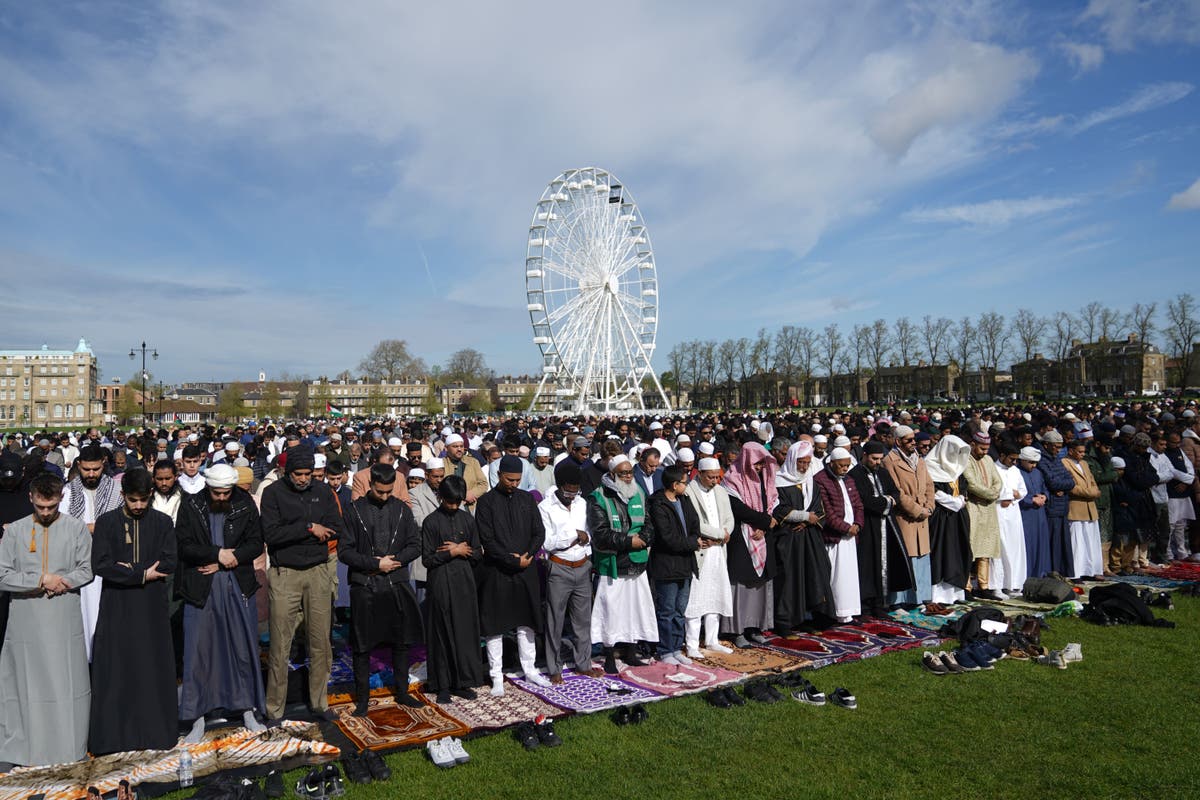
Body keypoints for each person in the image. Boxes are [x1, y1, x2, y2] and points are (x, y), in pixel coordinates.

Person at [0, 473, 92, 768]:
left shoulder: (76, 529)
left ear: (60, 499)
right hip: (26, 620)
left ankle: (67, 747)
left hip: (63, 615)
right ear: (31, 499)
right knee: (25, 684)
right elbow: (3, 575)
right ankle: (23, 749)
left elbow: (86, 570)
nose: (45, 513)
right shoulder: (14, 531)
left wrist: (61, 582)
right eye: (40, 507)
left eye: (51, 507)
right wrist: (41, 580)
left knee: (66, 682)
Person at [88, 468, 178, 755]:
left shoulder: (162, 522)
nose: (138, 506)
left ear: (150, 495)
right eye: (132, 500)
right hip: (118, 607)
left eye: (143, 500)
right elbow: (101, 565)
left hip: (151, 606)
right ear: (123, 495)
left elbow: (169, 561)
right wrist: (141, 573)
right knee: (118, 666)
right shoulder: (107, 522)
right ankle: (115, 737)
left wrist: (128, 569)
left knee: (150, 665)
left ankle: (154, 733)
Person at [176, 463, 267, 741]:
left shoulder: (244, 504)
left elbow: (256, 542)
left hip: (237, 585)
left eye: (226, 493)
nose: (221, 499)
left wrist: (231, 558)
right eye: (216, 494)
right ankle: (197, 717)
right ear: (208, 488)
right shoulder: (192, 505)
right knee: (199, 652)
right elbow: (183, 545)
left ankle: (246, 709)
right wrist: (216, 554)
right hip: (202, 589)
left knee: (241, 647)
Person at [261, 447, 344, 723]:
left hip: (318, 572)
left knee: (321, 641)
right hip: (286, 574)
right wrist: (309, 528)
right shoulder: (273, 494)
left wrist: (300, 533)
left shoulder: (323, 492)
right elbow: (272, 534)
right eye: (298, 474)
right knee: (280, 643)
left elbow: (335, 527)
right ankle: (275, 708)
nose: (304, 479)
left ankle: (319, 703)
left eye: (308, 474)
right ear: (286, 472)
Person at [339, 463, 424, 715]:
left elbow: (415, 544)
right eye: (380, 492)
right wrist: (376, 564)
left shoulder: (401, 509)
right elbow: (345, 551)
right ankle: (363, 700)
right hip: (365, 586)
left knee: (401, 641)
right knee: (363, 645)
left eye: (389, 492)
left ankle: (402, 692)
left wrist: (393, 562)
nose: (385, 497)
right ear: (370, 485)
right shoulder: (354, 510)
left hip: (396, 584)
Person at [475, 454, 548, 695]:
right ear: (499, 476)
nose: (514, 484)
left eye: (518, 480)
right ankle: (496, 675)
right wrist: (510, 559)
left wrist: (528, 555)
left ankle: (530, 669)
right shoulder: (486, 502)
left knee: (526, 621)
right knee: (496, 624)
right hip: (497, 570)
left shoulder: (527, 499)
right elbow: (486, 538)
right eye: (509, 480)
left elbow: (539, 532)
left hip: (526, 569)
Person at [587, 454, 657, 673]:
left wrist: (643, 539)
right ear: (612, 474)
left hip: (637, 563)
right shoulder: (598, 497)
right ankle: (609, 655)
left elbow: (648, 522)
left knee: (635, 609)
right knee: (611, 611)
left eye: (630, 472)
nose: (628, 477)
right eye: (623, 473)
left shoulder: (639, 492)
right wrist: (629, 542)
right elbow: (600, 535)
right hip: (613, 564)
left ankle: (631, 651)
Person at [421, 475, 485, 703]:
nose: (454, 506)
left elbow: (478, 552)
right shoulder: (431, 522)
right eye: (450, 502)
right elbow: (427, 559)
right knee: (441, 633)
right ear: (441, 498)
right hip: (440, 583)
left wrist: (463, 550)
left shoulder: (468, 520)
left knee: (464, 633)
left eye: (457, 502)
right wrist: (452, 552)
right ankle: (442, 685)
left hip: (464, 584)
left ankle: (463, 681)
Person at [538, 461, 602, 681]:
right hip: (559, 568)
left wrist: (586, 537)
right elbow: (547, 542)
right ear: (559, 486)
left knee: (582, 620)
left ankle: (583, 663)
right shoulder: (546, 508)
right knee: (555, 620)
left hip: (582, 566)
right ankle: (554, 668)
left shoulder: (582, 503)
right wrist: (573, 536)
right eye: (568, 491)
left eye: (576, 491)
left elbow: (589, 533)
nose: (572, 495)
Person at [59, 444, 122, 661]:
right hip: (79, 565)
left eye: (96, 469)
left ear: (103, 465)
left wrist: (89, 528)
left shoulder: (116, 490)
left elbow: (121, 525)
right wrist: (95, 528)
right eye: (87, 469)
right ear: (79, 466)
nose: (92, 474)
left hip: (110, 564)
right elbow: (63, 527)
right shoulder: (68, 492)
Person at [720, 442, 781, 646]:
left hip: (762, 535)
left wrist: (765, 526)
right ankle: (736, 630)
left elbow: (771, 504)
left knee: (760, 586)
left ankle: (755, 626)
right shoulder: (732, 479)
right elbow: (737, 508)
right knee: (741, 585)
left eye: (763, 463)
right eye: (757, 463)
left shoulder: (766, 479)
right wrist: (763, 521)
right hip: (741, 538)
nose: (760, 467)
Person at [849, 441, 914, 617]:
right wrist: (886, 501)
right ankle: (864, 605)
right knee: (867, 565)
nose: (877, 462)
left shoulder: (883, 473)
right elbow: (864, 500)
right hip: (868, 526)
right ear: (864, 456)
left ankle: (879, 604)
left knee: (884, 564)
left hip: (886, 525)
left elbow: (895, 493)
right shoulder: (855, 475)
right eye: (874, 458)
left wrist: (888, 499)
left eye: (880, 459)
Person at [683, 457, 740, 655]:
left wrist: (723, 535)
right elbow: (694, 523)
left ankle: (712, 639)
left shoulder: (721, 491)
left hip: (718, 551)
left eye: (717, 477)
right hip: (701, 551)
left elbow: (729, 519)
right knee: (696, 598)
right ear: (700, 474)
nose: (715, 480)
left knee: (715, 594)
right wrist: (719, 534)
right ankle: (691, 644)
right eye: (711, 477)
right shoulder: (689, 491)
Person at [647, 464, 703, 665]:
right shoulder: (658, 505)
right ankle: (665, 650)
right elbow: (667, 538)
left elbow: (695, 524)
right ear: (674, 484)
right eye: (684, 483)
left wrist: (693, 539)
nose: (686, 486)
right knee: (667, 610)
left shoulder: (684, 500)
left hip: (685, 564)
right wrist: (692, 542)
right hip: (666, 566)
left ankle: (677, 647)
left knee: (680, 610)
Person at [883, 426, 935, 607]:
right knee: (907, 556)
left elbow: (929, 484)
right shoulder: (889, 461)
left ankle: (921, 597)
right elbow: (896, 491)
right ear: (898, 442)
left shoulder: (919, 459)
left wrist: (929, 506)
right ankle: (902, 600)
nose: (914, 443)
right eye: (909, 440)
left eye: (914, 439)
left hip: (923, 515)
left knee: (922, 556)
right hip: (905, 516)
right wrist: (916, 510)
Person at [814, 448, 864, 623]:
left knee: (849, 577)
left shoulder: (849, 478)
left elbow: (858, 504)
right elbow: (826, 512)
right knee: (836, 577)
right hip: (834, 538)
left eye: (847, 466)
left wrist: (857, 524)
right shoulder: (821, 480)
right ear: (832, 463)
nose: (845, 469)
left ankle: (847, 612)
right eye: (842, 466)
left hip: (850, 537)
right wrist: (845, 528)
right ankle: (833, 612)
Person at [924, 435, 973, 606]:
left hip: (957, 518)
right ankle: (937, 596)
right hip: (940, 519)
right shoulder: (930, 466)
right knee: (940, 554)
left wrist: (960, 500)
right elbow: (933, 492)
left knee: (957, 552)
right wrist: (955, 502)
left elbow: (964, 487)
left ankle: (955, 594)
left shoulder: (957, 468)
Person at [963, 430, 1005, 600]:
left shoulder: (988, 459)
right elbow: (972, 484)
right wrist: (992, 494)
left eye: (987, 449)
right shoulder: (965, 459)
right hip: (972, 508)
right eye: (982, 449)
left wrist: (992, 493)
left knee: (986, 549)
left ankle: (984, 586)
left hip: (988, 510)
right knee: (971, 548)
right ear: (973, 445)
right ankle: (966, 587)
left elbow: (998, 481)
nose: (985, 452)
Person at [0, 451, 33, 655]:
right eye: (4, 478)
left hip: (24, 566)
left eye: (12, 479)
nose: (8, 483)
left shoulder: (30, 493)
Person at [1063, 439, 1103, 579]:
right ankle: (1076, 572)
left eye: (1084, 452)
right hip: (1076, 507)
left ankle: (1091, 570)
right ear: (1071, 451)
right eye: (1079, 452)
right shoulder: (1064, 463)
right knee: (1077, 542)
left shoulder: (1084, 464)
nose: (1082, 455)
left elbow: (1092, 482)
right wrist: (1091, 493)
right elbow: (1072, 486)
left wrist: (1094, 491)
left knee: (1091, 541)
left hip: (1090, 507)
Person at [1038, 431, 1075, 576]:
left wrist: (1061, 488)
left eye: (1060, 447)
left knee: (1062, 543)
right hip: (1051, 508)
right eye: (1055, 447)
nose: (1058, 450)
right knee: (1052, 543)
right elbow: (1052, 482)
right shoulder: (1042, 460)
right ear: (1046, 445)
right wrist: (1059, 487)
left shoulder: (1056, 459)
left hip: (1062, 506)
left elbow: (1071, 480)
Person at [992, 444, 1027, 596]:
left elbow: (1023, 491)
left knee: (1014, 548)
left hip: (1013, 513)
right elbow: (992, 490)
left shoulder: (1016, 470)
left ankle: (1013, 584)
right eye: (1012, 459)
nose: (1014, 462)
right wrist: (1006, 495)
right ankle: (997, 586)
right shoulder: (993, 469)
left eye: (1016, 460)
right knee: (1000, 548)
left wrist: (1012, 497)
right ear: (1002, 455)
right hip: (997, 512)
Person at [1017, 447, 1051, 578]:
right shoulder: (1017, 472)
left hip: (1039, 514)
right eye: (1031, 462)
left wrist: (1044, 497)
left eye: (1035, 463)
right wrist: (1031, 500)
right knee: (1027, 545)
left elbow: (1045, 488)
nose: (1034, 465)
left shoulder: (1038, 472)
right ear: (1023, 460)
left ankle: (1040, 574)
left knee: (1041, 545)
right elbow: (1015, 494)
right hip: (1025, 514)